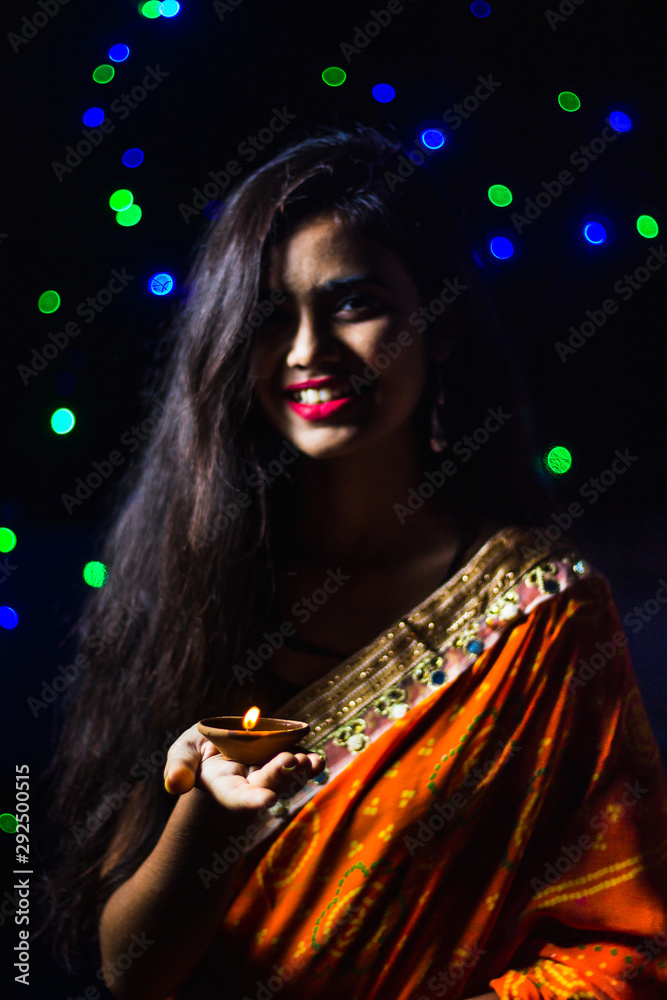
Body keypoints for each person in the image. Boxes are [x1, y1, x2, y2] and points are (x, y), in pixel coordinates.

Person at [38, 125, 667, 1000]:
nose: (305, 351)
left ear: (437, 324)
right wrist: (207, 823)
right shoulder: (191, 585)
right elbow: (128, 972)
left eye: (350, 303)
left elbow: (624, 951)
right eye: (269, 315)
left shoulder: (542, 617)